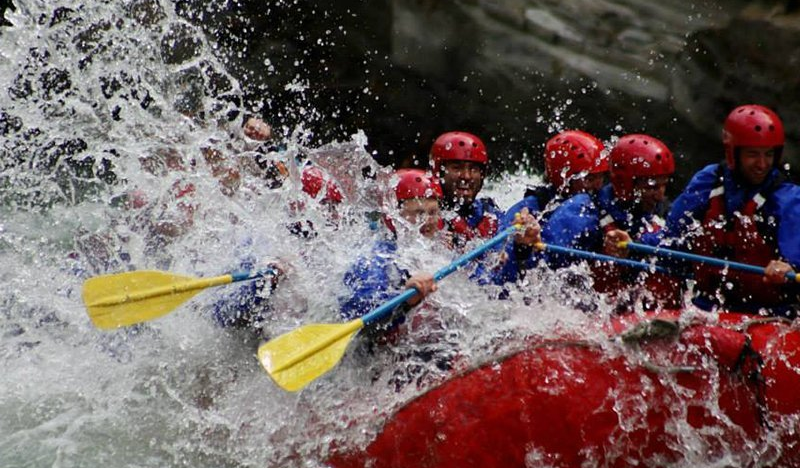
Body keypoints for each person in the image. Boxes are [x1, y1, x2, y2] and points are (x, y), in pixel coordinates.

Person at [651, 104, 800, 316]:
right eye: (753, 155)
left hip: (770, 316)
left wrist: (790, 267)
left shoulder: (787, 199)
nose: (762, 164)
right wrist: (631, 245)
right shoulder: (709, 182)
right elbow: (669, 241)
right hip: (706, 309)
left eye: (768, 155)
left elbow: (796, 254)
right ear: (733, 153)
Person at [539, 133, 678, 310]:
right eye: (652, 187)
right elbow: (543, 270)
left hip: (626, 308)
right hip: (582, 310)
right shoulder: (581, 211)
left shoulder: (654, 214)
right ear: (626, 185)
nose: (660, 196)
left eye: (664, 185)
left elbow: (675, 244)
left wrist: (635, 248)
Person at [494, 130, 608, 284]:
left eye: (601, 177)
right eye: (589, 178)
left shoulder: (604, 201)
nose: (598, 186)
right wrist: (522, 249)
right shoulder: (525, 211)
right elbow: (497, 267)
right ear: (564, 179)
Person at [429, 131, 504, 247]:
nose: (466, 176)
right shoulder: (424, 219)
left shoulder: (491, 214)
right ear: (438, 172)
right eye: (456, 168)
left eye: (474, 169)